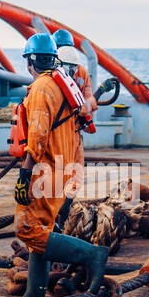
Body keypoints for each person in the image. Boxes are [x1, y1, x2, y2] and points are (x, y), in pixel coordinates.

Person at [6, 32, 109, 297]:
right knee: (43, 229)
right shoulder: (62, 84)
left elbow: (37, 139)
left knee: (27, 228)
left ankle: (91, 255)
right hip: (62, 168)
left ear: (29, 62)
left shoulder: (40, 89)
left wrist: (24, 177)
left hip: (43, 170)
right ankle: (34, 294)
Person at [52, 38, 97, 231]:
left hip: (71, 132)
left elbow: (87, 103)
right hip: (64, 133)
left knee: (70, 176)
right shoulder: (56, 77)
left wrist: (83, 110)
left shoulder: (54, 74)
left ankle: (61, 214)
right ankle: (56, 215)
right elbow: (88, 102)